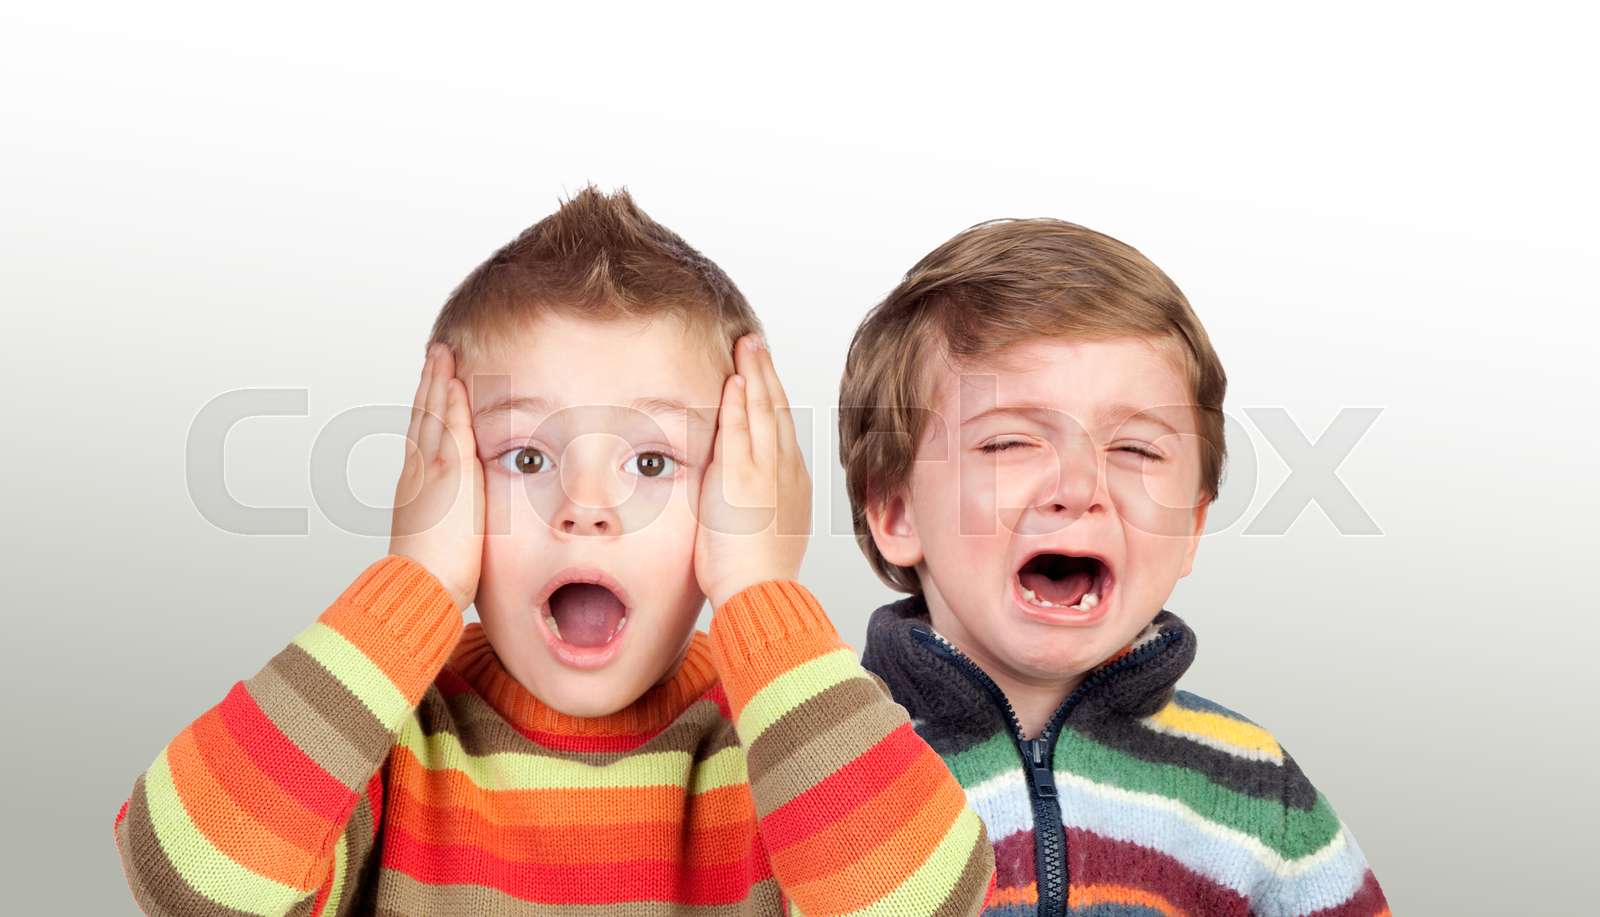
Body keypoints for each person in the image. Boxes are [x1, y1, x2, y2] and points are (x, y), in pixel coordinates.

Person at [113, 188, 996, 915]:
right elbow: (190, 879)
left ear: (737, 495)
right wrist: (412, 581)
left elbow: (922, 901)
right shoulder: (378, 736)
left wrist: (761, 587)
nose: (585, 509)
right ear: (442, 484)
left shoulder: (786, 736)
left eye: (653, 461)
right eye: (526, 457)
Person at [840, 218, 1389, 916]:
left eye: (1135, 450)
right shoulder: (815, 773)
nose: (1080, 486)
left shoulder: (1258, 798)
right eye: (1009, 442)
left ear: (1192, 526)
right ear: (896, 512)